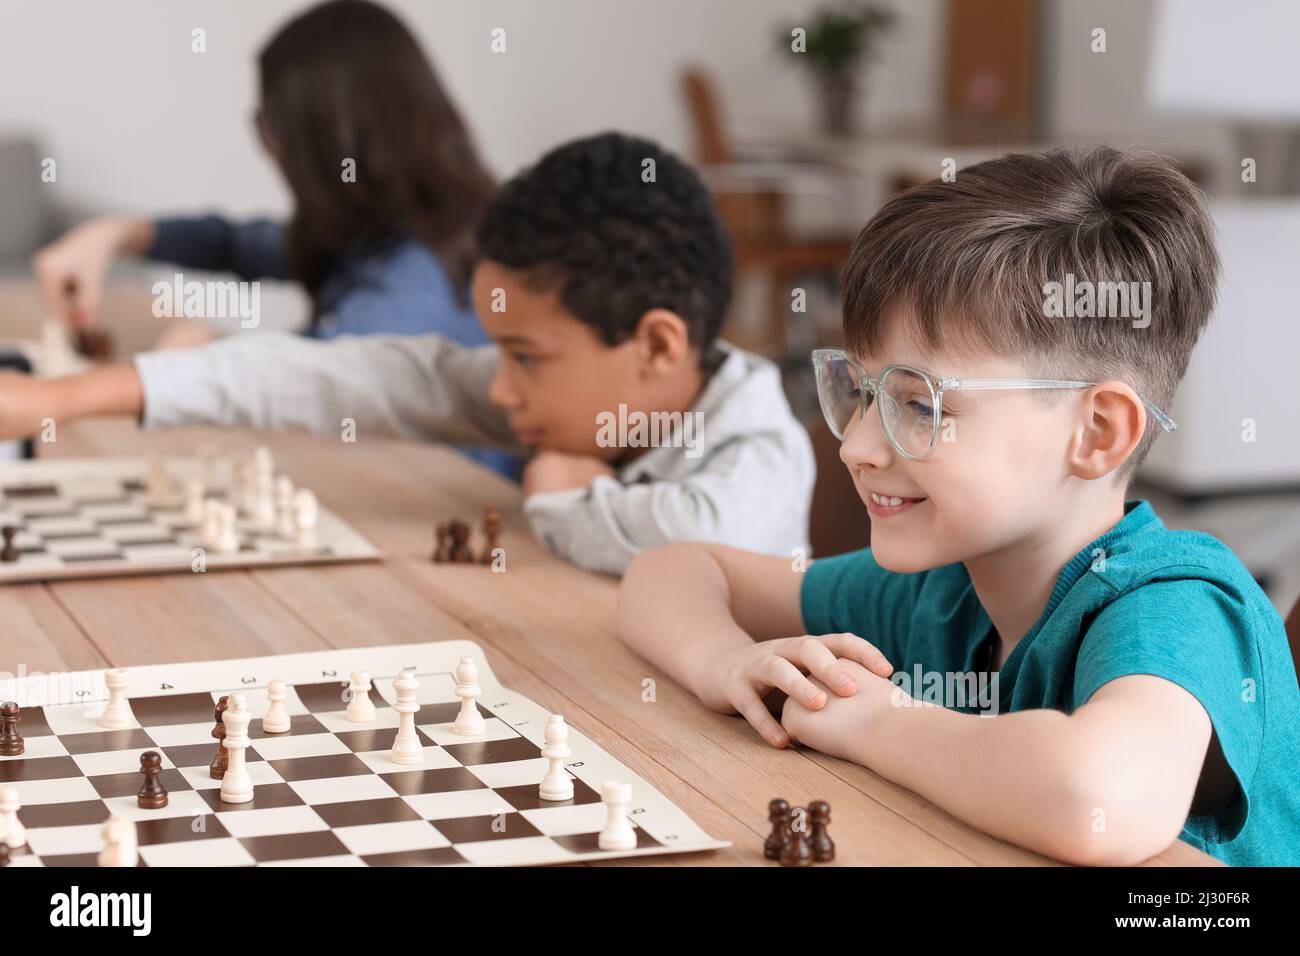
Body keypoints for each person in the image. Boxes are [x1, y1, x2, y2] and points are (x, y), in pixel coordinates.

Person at [617, 147, 1300, 866]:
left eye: (919, 403)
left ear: (1097, 433)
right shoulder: (943, 590)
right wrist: (724, 663)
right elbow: (671, 572)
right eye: (863, 391)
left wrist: (874, 723)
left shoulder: (1176, 606)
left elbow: (1096, 796)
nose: (855, 446)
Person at [0, 133, 815, 576]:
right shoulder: (572, 403)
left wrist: (568, 499)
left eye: (525, 357)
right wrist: (61, 400)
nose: (499, 389)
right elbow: (341, 378)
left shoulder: (760, 464)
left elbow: (698, 549)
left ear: (656, 345)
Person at [30, 0, 516, 478]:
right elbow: (233, 243)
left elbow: (319, 383)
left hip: (439, 504)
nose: (269, 148)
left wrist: (206, 355)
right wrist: (115, 235)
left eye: (270, 125)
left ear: (333, 140)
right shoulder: (370, 229)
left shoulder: (416, 275)